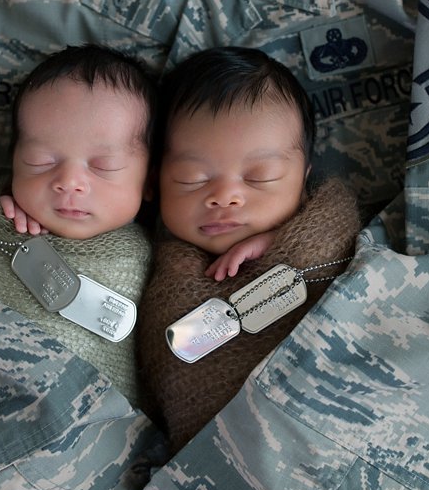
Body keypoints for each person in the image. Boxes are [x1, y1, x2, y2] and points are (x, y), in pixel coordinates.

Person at [135, 47, 361, 450]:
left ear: (303, 179)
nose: (225, 196)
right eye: (192, 178)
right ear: (153, 182)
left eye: (260, 177)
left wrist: (290, 249)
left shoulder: (324, 237)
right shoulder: (146, 267)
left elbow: (356, 274)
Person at [0, 46, 156, 407]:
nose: (69, 182)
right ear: (13, 162)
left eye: (104, 165)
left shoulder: (156, 261)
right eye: (40, 161)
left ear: (150, 179)